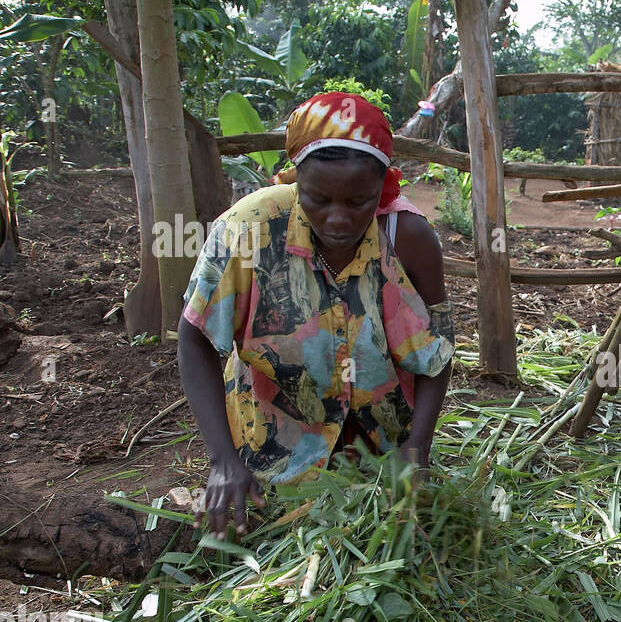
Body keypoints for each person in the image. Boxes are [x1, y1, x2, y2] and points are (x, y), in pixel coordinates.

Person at [177, 92, 455, 536]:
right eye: (319, 199)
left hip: (382, 457)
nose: (339, 219)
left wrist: (416, 451)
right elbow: (194, 339)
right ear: (295, 180)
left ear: (382, 187)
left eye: (359, 202)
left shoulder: (408, 237)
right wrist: (223, 461)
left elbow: (438, 352)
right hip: (272, 447)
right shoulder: (247, 230)